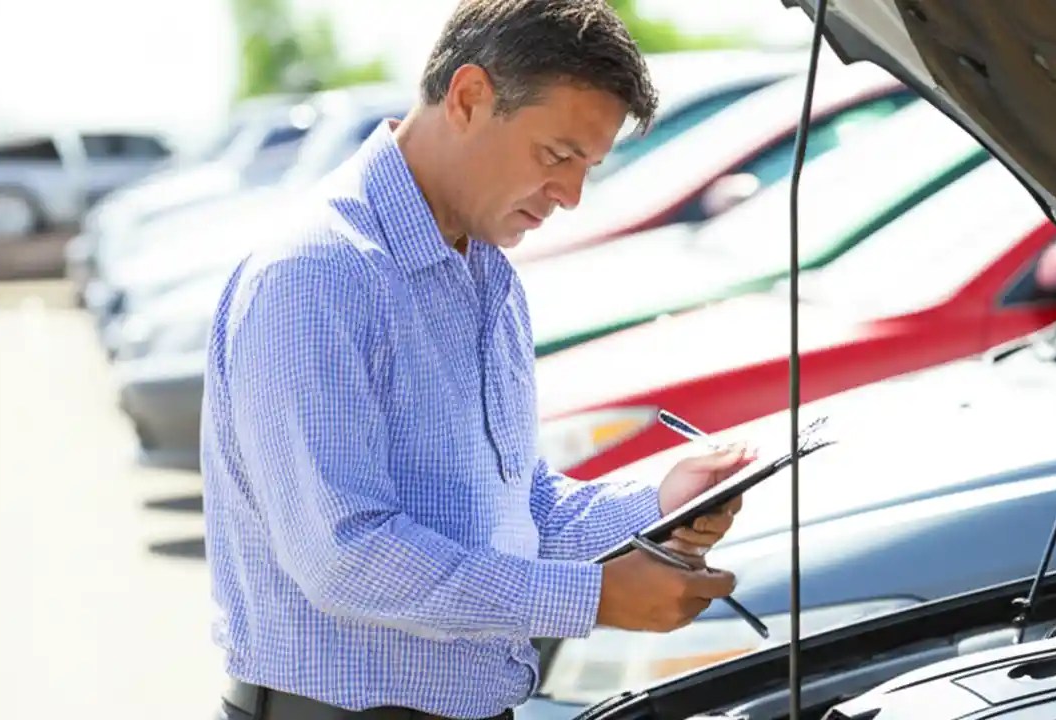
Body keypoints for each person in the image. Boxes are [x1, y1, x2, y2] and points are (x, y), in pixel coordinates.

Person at [201, 1, 756, 718]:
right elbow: (346, 557)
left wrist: (659, 505)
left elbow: (515, 513)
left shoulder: (485, 273)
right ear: (468, 97)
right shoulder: (319, 275)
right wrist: (595, 597)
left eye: (588, 167)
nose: (571, 196)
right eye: (557, 156)